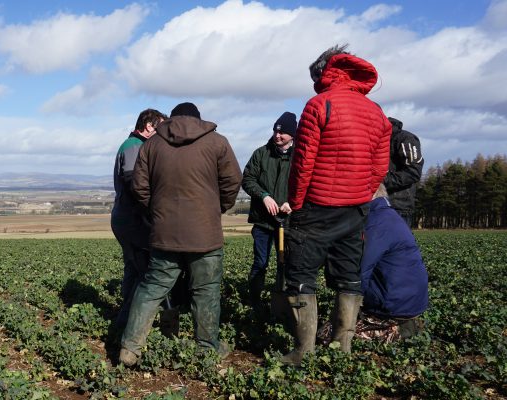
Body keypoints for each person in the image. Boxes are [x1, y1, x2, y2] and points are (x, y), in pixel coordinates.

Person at [281, 44, 391, 365]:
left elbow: (303, 164)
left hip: (316, 206)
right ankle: (342, 350)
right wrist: (360, 193)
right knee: (348, 275)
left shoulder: (319, 105)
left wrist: (296, 203)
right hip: (355, 209)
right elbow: (379, 168)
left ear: (323, 73)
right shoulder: (376, 112)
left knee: (300, 273)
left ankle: (304, 351)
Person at [119, 102, 242, 366]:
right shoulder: (217, 143)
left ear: (172, 119)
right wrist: (216, 208)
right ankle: (207, 350)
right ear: (198, 119)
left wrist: (158, 212)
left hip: (165, 234)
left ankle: (130, 347)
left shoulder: (151, 145)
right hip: (205, 234)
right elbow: (232, 182)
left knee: (151, 287)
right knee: (206, 291)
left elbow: (139, 186)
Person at [318, 184, 428, 343]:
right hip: (406, 300)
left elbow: (358, 273)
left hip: (394, 305)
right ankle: (402, 323)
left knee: (328, 334)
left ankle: (399, 330)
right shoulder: (388, 216)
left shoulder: (376, 223)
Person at [111, 108, 167, 328]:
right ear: (149, 126)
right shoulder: (134, 146)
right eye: (159, 127)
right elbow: (135, 183)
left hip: (127, 218)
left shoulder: (133, 145)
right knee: (145, 271)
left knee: (134, 268)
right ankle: (127, 322)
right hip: (132, 219)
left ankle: (124, 319)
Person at [241, 112, 296, 317]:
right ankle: (255, 303)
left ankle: (285, 303)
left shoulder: (301, 155)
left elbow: (307, 183)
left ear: (292, 134)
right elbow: (248, 179)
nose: (278, 135)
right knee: (260, 263)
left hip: (289, 222)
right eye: (276, 131)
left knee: (287, 264)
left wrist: (294, 202)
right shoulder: (261, 153)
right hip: (263, 222)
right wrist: (264, 196)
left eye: (283, 132)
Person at [383, 117, 424, 227]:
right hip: (375, 206)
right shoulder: (373, 140)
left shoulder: (405, 138)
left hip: (398, 206)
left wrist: (380, 181)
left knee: (397, 243)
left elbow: (413, 172)